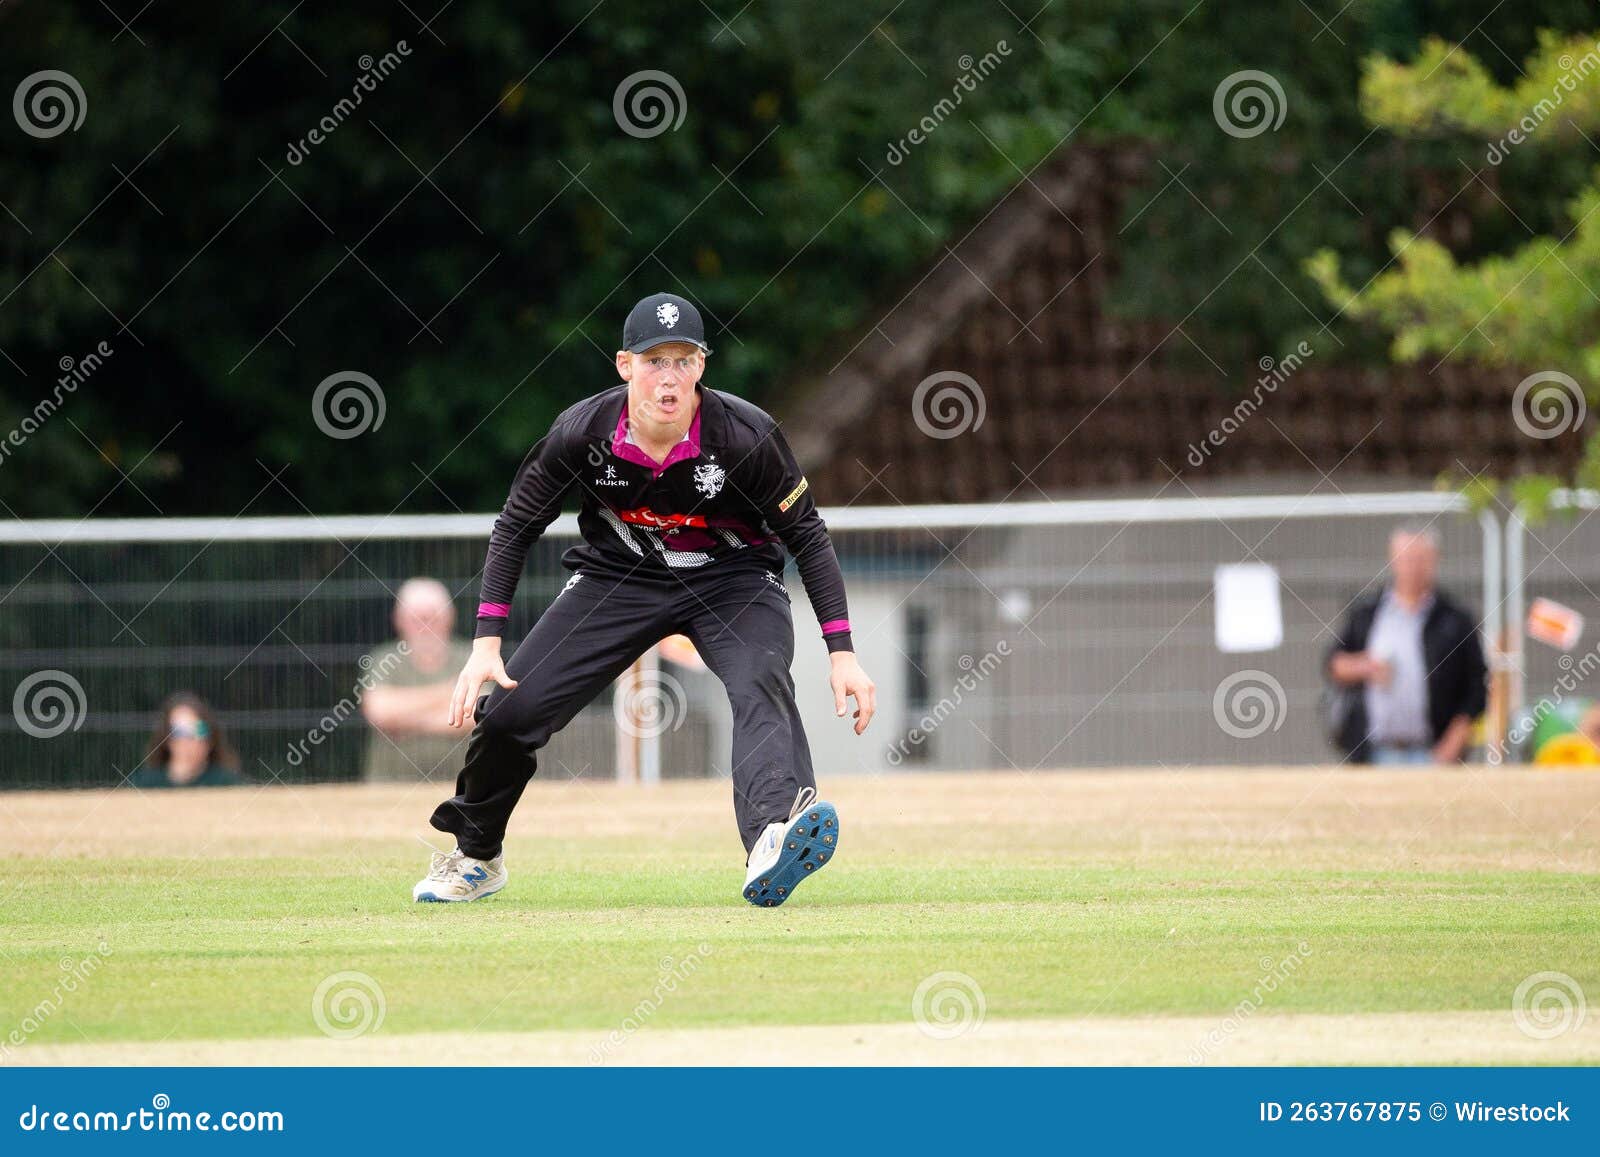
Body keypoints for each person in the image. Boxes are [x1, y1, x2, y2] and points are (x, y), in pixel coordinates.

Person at [414, 292, 876, 906]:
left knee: (760, 679)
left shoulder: (746, 436)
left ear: (702, 369)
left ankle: (771, 836)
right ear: (624, 366)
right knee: (509, 716)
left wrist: (842, 652)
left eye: (685, 360)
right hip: (617, 578)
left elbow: (808, 538)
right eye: (655, 360)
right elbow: (516, 525)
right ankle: (476, 857)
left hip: (732, 582)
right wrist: (484, 644)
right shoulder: (582, 433)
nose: (670, 376)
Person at [1325, 525, 1488, 765]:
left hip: (1434, 753)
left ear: (1435, 560)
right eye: (1406, 559)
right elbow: (1333, 664)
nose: (1413, 567)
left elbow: (1477, 687)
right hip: (1373, 753)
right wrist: (1364, 667)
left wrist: (1452, 745)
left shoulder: (1454, 619)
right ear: (1392, 559)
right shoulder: (1366, 612)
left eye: (1420, 559)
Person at [359, 577, 475, 782]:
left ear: (450, 617)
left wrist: (404, 719)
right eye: (417, 618)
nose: (426, 625)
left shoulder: (471, 657)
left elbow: (478, 716)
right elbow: (380, 712)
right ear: (399, 620)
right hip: (391, 786)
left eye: (433, 616)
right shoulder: (384, 659)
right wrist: (448, 694)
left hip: (461, 786)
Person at [129, 693, 244, 788]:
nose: (189, 741)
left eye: (199, 731)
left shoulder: (227, 784)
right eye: (180, 731)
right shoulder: (145, 785)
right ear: (166, 738)